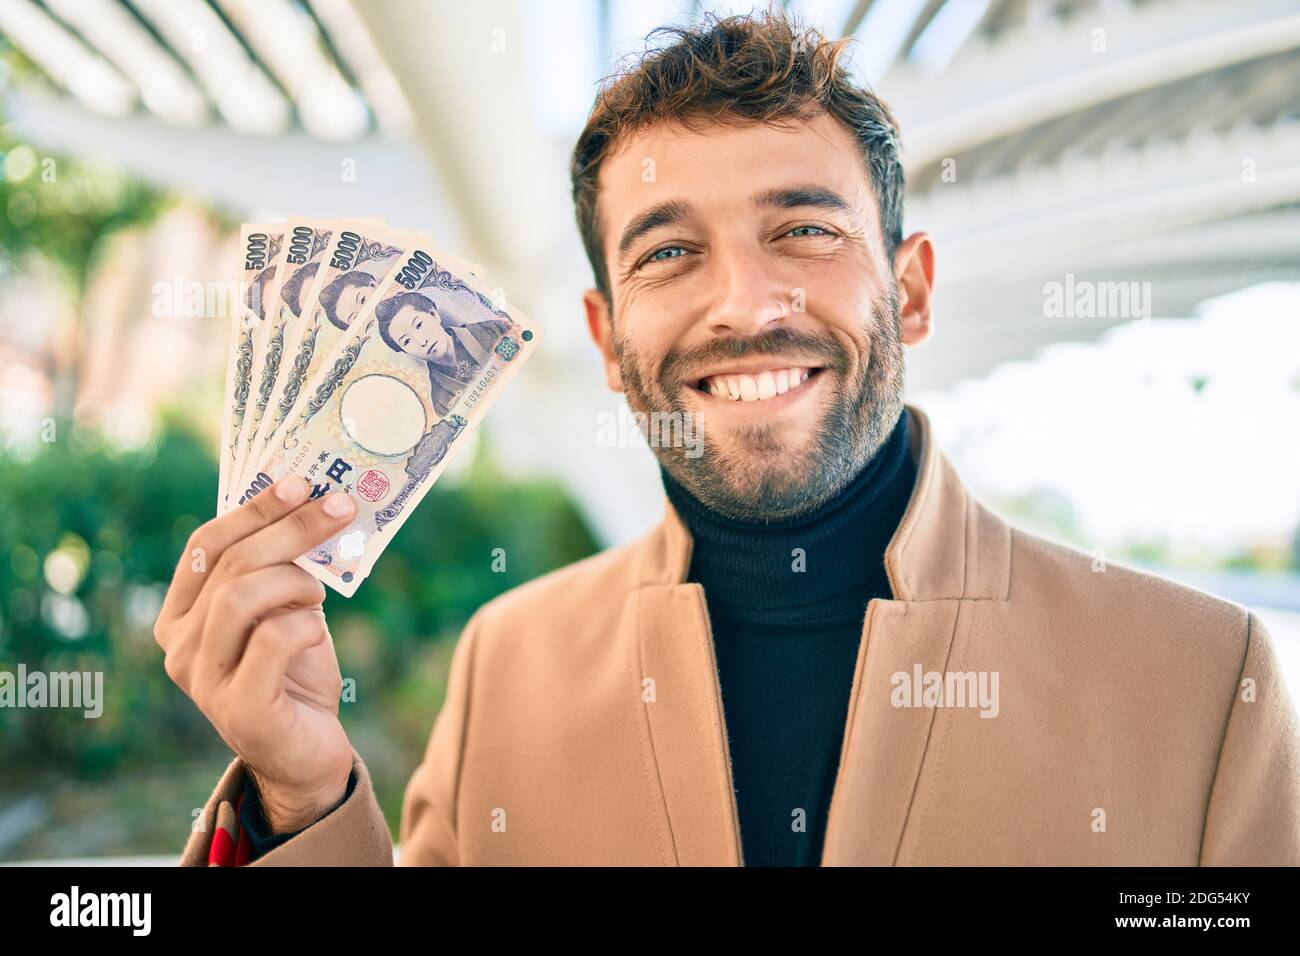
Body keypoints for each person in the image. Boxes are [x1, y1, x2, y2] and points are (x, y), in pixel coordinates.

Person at [154, 10, 1300, 866]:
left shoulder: (1204, 684)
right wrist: (300, 792)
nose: (743, 304)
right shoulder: (507, 666)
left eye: (802, 227)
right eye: (666, 250)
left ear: (909, 291)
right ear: (606, 339)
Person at [373, 290, 511, 418]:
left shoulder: (495, 331)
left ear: (433, 314)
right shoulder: (440, 403)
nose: (422, 341)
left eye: (419, 325)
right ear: (404, 351)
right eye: (407, 341)